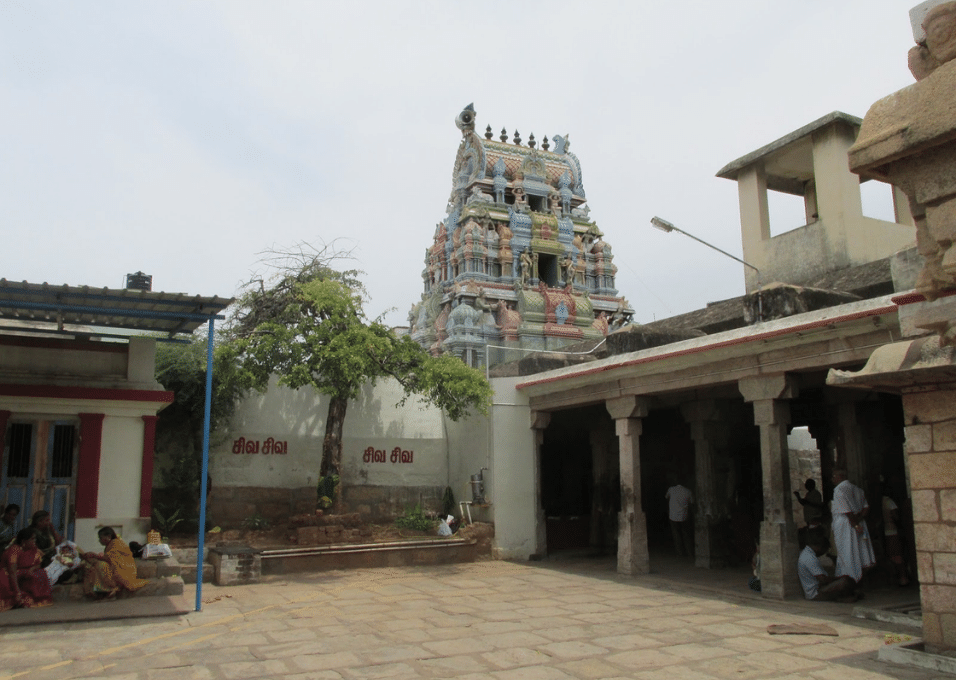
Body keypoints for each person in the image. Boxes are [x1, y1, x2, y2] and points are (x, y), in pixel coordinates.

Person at [830, 468, 876, 584]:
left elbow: (846, 511)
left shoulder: (839, 490)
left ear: (840, 476)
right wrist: (859, 520)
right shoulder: (858, 490)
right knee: (860, 550)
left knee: (847, 550)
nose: (832, 479)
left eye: (834, 476)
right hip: (858, 522)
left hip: (847, 524)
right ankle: (858, 577)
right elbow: (866, 507)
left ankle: (849, 579)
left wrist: (855, 524)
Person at [82, 527, 148, 599]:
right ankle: (96, 590)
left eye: (100, 538)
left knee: (101, 565)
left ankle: (108, 590)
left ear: (109, 537)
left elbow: (110, 559)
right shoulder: (110, 545)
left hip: (123, 574)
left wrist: (94, 555)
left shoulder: (117, 543)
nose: (99, 540)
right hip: (116, 571)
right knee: (91, 566)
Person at [0, 527, 54, 611]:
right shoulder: (14, 550)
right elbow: (12, 572)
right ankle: (17, 597)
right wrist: (17, 593)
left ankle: (38, 597)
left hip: (20, 576)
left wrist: (32, 569)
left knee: (40, 572)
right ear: (24, 541)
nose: (34, 541)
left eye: (34, 539)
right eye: (32, 539)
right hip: (7, 577)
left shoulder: (32, 550)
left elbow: (38, 564)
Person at [798, 536, 859, 602]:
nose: (824, 553)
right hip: (815, 594)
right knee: (845, 581)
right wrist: (838, 579)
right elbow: (823, 580)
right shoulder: (809, 558)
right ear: (819, 547)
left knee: (844, 581)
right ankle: (843, 598)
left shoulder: (806, 553)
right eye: (825, 550)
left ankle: (846, 596)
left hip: (816, 590)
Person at [882, 492, 911, 587]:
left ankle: (901, 577)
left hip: (887, 530)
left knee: (894, 554)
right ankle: (903, 578)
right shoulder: (888, 501)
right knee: (897, 554)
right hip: (893, 530)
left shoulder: (882, 501)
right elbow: (895, 516)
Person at [665, 478, 694, 558]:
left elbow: (666, 498)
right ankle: (689, 552)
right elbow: (691, 504)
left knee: (676, 535)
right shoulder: (688, 491)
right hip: (684, 516)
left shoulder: (671, 489)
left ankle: (679, 553)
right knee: (686, 535)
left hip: (673, 515)